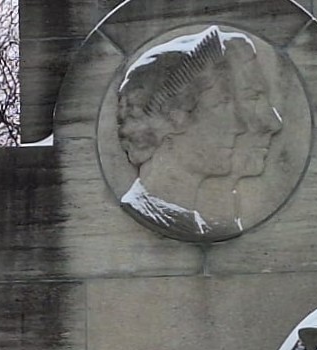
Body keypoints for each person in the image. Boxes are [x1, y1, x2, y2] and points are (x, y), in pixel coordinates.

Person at [116, 25, 283, 235]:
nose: (239, 127)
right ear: (173, 116)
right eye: (222, 105)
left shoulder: (191, 221)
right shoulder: (161, 215)